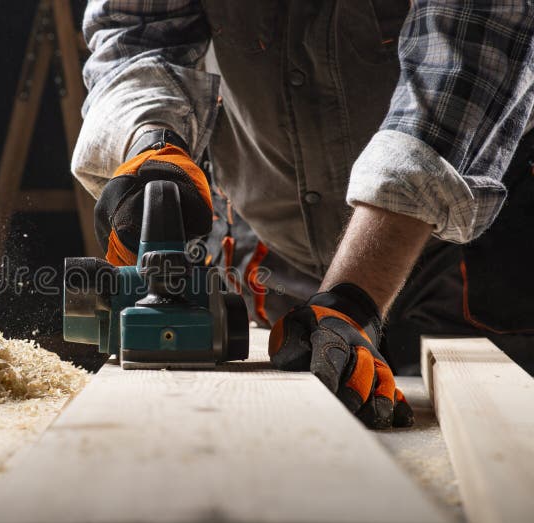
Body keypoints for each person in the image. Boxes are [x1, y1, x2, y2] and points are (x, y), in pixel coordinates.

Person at [71, 0, 534, 428]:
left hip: (465, 244)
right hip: (272, 241)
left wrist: (352, 299)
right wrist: (153, 140)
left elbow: (464, 62)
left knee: (494, 432)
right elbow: (136, 31)